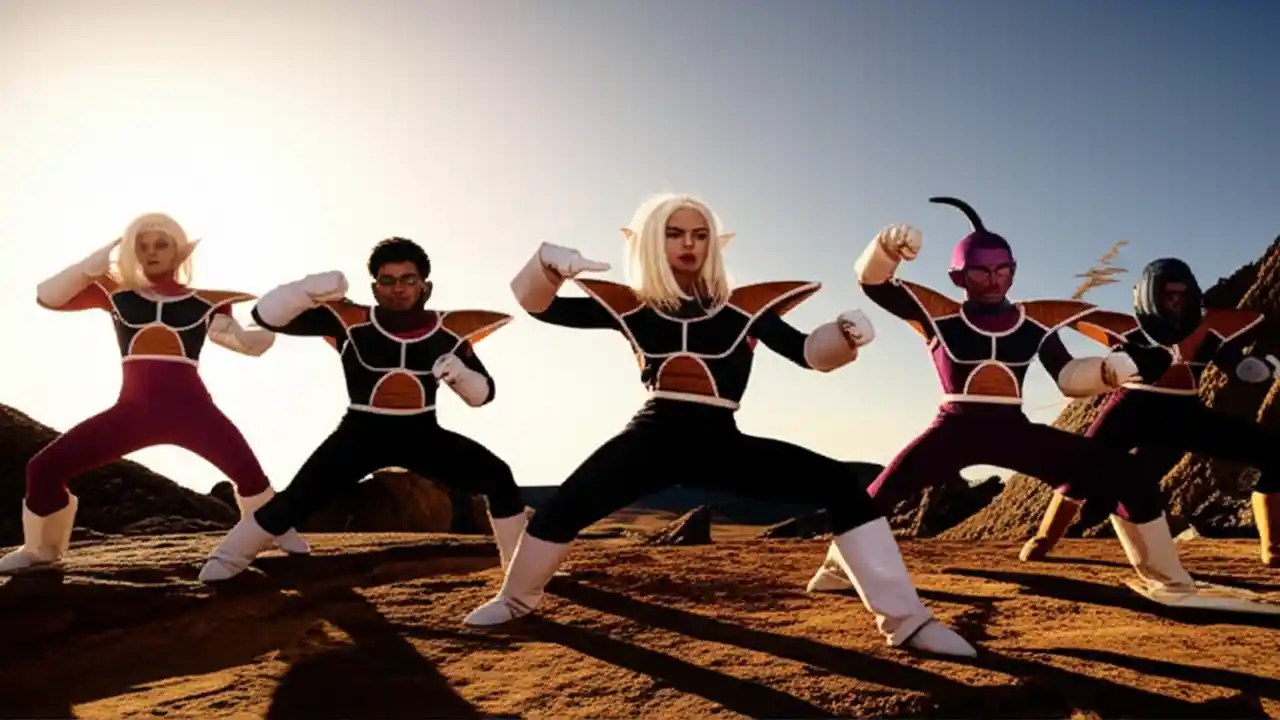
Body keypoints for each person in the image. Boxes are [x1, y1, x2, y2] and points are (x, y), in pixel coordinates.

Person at [461, 193, 976, 657]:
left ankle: (908, 623)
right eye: (675, 232)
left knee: (843, 486)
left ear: (714, 244)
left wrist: (843, 336)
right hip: (652, 435)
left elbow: (806, 353)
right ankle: (515, 600)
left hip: (721, 440)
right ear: (650, 241)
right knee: (565, 507)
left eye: (700, 234)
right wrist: (547, 265)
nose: (689, 244)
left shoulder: (742, 308)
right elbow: (541, 309)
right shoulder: (638, 306)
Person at [805, 198, 1276, 613]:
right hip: (954, 426)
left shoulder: (1033, 320)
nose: (992, 280)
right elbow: (874, 284)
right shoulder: (939, 314)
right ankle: (837, 569)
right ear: (958, 276)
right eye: (980, 271)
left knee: (1123, 477)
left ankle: (1170, 581)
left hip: (1014, 429)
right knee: (882, 492)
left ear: (1013, 270)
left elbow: (1070, 379)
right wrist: (885, 248)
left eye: (1001, 270)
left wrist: (1118, 368)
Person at [198, 237, 526, 582]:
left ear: (424, 285)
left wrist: (461, 376)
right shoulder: (349, 318)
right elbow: (265, 316)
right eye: (388, 280)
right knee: (297, 499)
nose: (398, 288)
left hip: (423, 435)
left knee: (498, 477)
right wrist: (305, 289)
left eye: (408, 279)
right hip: (359, 435)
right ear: (375, 286)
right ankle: (228, 557)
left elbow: (483, 396)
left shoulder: (447, 330)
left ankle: (520, 572)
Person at [0, 212, 309, 575]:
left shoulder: (206, 301)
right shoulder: (117, 293)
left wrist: (276, 316)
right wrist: (86, 268)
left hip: (194, 413)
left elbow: (249, 344)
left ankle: (270, 530)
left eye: (161, 244)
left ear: (179, 250)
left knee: (252, 479)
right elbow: (47, 297)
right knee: (43, 469)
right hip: (132, 412)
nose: (151, 252)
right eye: (142, 246)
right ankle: (41, 550)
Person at [1019, 257, 1280, 568]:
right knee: (1081, 468)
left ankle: (1274, 546)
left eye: (1182, 295)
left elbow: (1244, 348)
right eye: (1168, 294)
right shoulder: (1125, 329)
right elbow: (1062, 319)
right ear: (1148, 295)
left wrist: (1259, 365)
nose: (1175, 302)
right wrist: (1033, 327)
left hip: (1186, 411)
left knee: (1273, 453)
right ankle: (1045, 538)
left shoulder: (1208, 328)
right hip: (1130, 410)